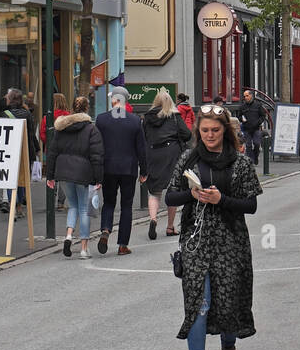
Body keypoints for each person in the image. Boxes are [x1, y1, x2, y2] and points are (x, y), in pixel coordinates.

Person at [165, 103, 263, 350]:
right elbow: (171, 194)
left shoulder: (240, 163)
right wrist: (192, 194)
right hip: (196, 241)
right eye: (205, 130)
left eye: (215, 130)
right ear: (198, 131)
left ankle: (229, 346)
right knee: (198, 303)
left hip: (230, 240)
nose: (210, 135)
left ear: (225, 131)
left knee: (228, 299)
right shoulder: (188, 159)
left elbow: (251, 205)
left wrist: (221, 199)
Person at [44, 95, 104, 259]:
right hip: (83, 173)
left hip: (63, 172)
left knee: (73, 206)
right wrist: (99, 179)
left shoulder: (62, 128)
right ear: (87, 109)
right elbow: (97, 156)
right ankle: (84, 248)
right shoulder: (91, 129)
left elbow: (52, 153)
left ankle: (69, 236)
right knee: (85, 209)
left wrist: (50, 176)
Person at [95, 85, 148, 256]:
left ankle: (105, 229)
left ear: (113, 100)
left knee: (109, 202)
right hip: (128, 168)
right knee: (126, 205)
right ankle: (122, 244)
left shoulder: (101, 120)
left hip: (108, 168)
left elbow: (97, 147)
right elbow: (141, 148)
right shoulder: (134, 121)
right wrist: (144, 171)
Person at [142, 89, 191, 240]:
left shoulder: (147, 118)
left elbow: (143, 137)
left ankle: (153, 219)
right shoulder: (174, 117)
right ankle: (170, 226)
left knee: (154, 191)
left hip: (153, 154)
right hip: (171, 153)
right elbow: (187, 134)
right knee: (172, 190)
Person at [1, 88, 40, 218]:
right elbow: (31, 133)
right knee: (22, 179)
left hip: (9, 151)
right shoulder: (27, 114)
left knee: (9, 178)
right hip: (25, 150)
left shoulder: (4, 114)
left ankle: (13, 204)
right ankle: (19, 206)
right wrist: (36, 149)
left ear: (11, 100)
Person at [236, 88, 265, 163]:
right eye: (244, 96)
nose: (245, 97)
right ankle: (250, 160)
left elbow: (263, 116)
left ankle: (255, 156)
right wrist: (242, 120)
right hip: (246, 128)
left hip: (256, 128)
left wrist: (258, 122)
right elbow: (239, 116)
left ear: (251, 96)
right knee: (248, 146)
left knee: (257, 143)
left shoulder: (258, 105)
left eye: (247, 96)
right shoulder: (242, 106)